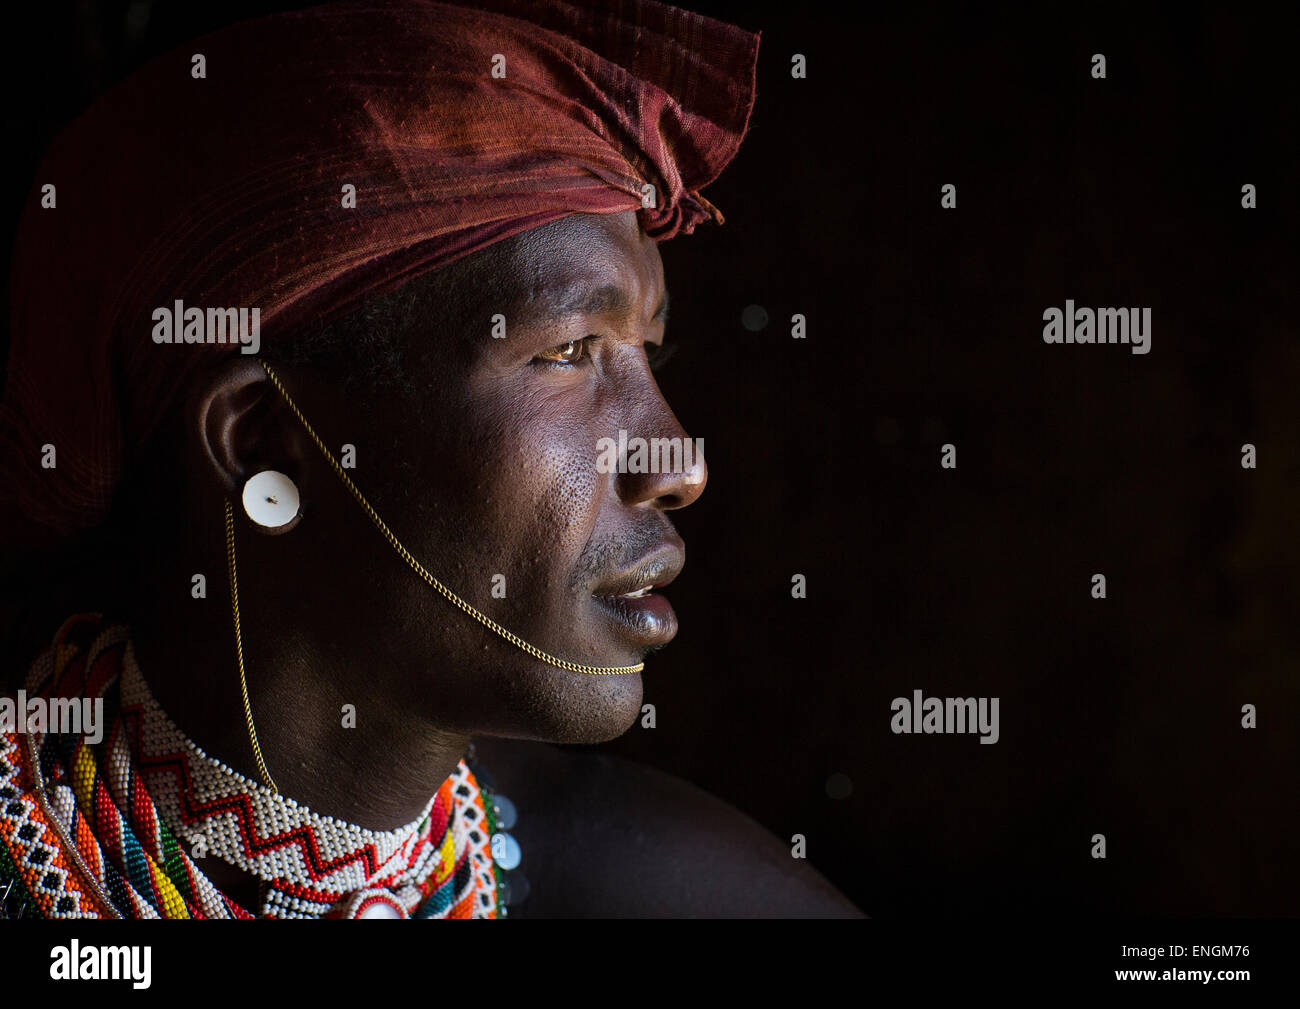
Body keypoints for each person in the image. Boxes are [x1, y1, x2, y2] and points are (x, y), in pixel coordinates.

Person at [0, 0, 861, 918]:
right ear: (262, 438)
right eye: (567, 351)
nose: (678, 460)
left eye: (650, 349)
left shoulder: (670, 891)